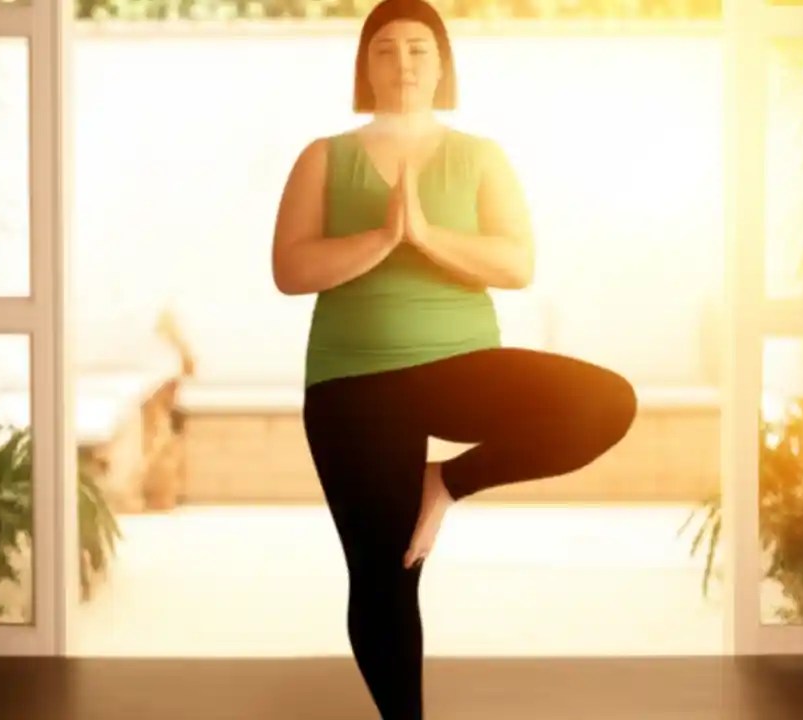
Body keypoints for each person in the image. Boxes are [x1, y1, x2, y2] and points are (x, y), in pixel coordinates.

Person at [271, 1, 638, 716]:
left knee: (606, 403)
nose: (402, 63)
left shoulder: (480, 156)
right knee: (386, 573)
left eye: (417, 49)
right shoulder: (324, 156)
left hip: (460, 363)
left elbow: (516, 262)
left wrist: (427, 234)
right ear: (363, 66)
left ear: (442, 65)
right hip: (353, 383)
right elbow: (290, 268)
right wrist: (382, 237)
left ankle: (445, 482)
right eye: (385, 49)